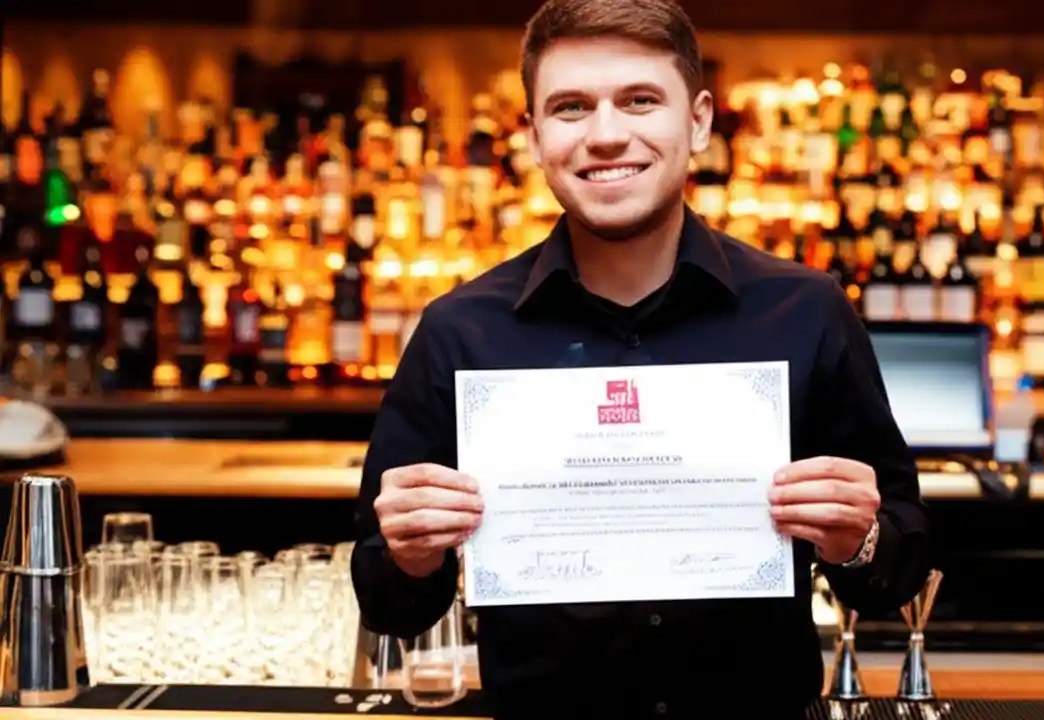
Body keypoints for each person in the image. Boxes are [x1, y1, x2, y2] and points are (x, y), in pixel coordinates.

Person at [351, 0, 930, 717]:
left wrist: (859, 539)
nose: (605, 134)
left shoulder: (807, 311)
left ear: (699, 121)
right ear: (532, 137)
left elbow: (902, 570)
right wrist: (410, 554)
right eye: (570, 107)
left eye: (640, 100)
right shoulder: (459, 332)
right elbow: (386, 604)